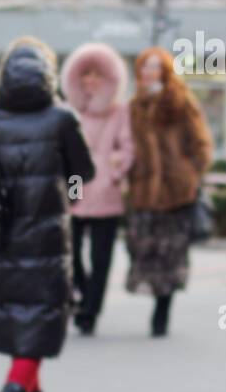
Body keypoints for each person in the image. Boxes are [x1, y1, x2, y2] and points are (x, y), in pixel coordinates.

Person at [0, 38, 94, 392]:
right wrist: (69, 196)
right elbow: (85, 174)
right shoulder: (61, 119)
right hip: (45, 244)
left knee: (25, 337)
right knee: (35, 340)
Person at [125, 47, 213, 337]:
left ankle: (163, 309)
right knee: (141, 247)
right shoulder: (135, 105)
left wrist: (189, 173)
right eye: (144, 67)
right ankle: (156, 296)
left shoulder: (181, 101)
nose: (149, 73)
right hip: (144, 191)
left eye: (155, 67)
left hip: (176, 191)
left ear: (165, 71)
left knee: (171, 252)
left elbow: (201, 143)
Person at [60, 42, 134, 335]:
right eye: (85, 73)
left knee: (101, 257)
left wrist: (115, 169)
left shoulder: (119, 112)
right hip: (76, 188)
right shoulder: (67, 111)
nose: (90, 80)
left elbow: (128, 147)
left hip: (106, 189)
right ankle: (81, 292)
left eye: (97, 74)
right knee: (72, 251)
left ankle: (90, 310)